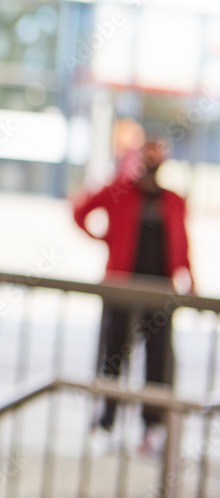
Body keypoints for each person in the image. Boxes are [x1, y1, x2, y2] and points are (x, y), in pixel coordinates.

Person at [72, 138, 194, 455]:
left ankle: (152, 427)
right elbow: (81, 209)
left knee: (158, 361)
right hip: (122, 288)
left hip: (160, 293)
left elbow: (182, 243)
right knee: (113, 355)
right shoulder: (121, 191)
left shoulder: (173, 200)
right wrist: (105, 238)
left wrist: (190, 279)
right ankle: (105, 422)